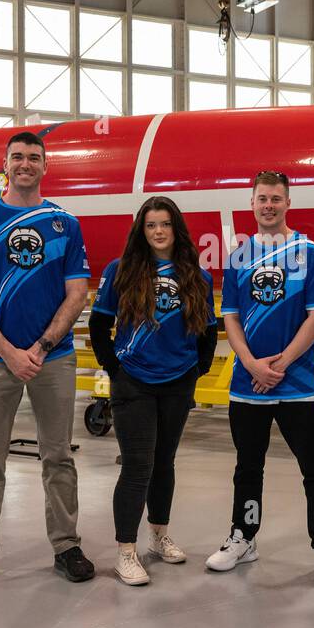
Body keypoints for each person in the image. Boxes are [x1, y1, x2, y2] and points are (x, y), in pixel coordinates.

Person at [0, 130, 94, 596]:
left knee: (58, 457)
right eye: (17, 157)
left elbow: (77, 293)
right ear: (5, 165)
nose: (25, 164)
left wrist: (42, 348)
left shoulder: (64, 224)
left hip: (54, 359)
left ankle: (66, 546)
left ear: (45, 166)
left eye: (34, 157)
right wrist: (10, 352)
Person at [205, 171, 314, 584]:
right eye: (262, 198)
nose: (268, 205)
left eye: (276, 199)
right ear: (252, 203)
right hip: (249, 384)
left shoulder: (311, 253)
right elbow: (230, 316)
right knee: (248, 466)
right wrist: (250, 363)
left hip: (298, 384)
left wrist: (278, 365)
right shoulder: (238, 257)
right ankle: (243, 537)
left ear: (288, 203)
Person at [89, 196, 218, 586]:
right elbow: (99, 326)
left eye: (165, 224)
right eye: (150, 225)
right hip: (135, 383)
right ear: (140, 231)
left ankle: (159, 536)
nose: (158, 231)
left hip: (177, 382)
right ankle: (125, 551)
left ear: (175, 229)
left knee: (165, 463)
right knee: (137, 466)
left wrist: (197, 370)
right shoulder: (121, 271)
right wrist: (117, 371)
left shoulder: (196, 275)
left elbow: (209, 329)